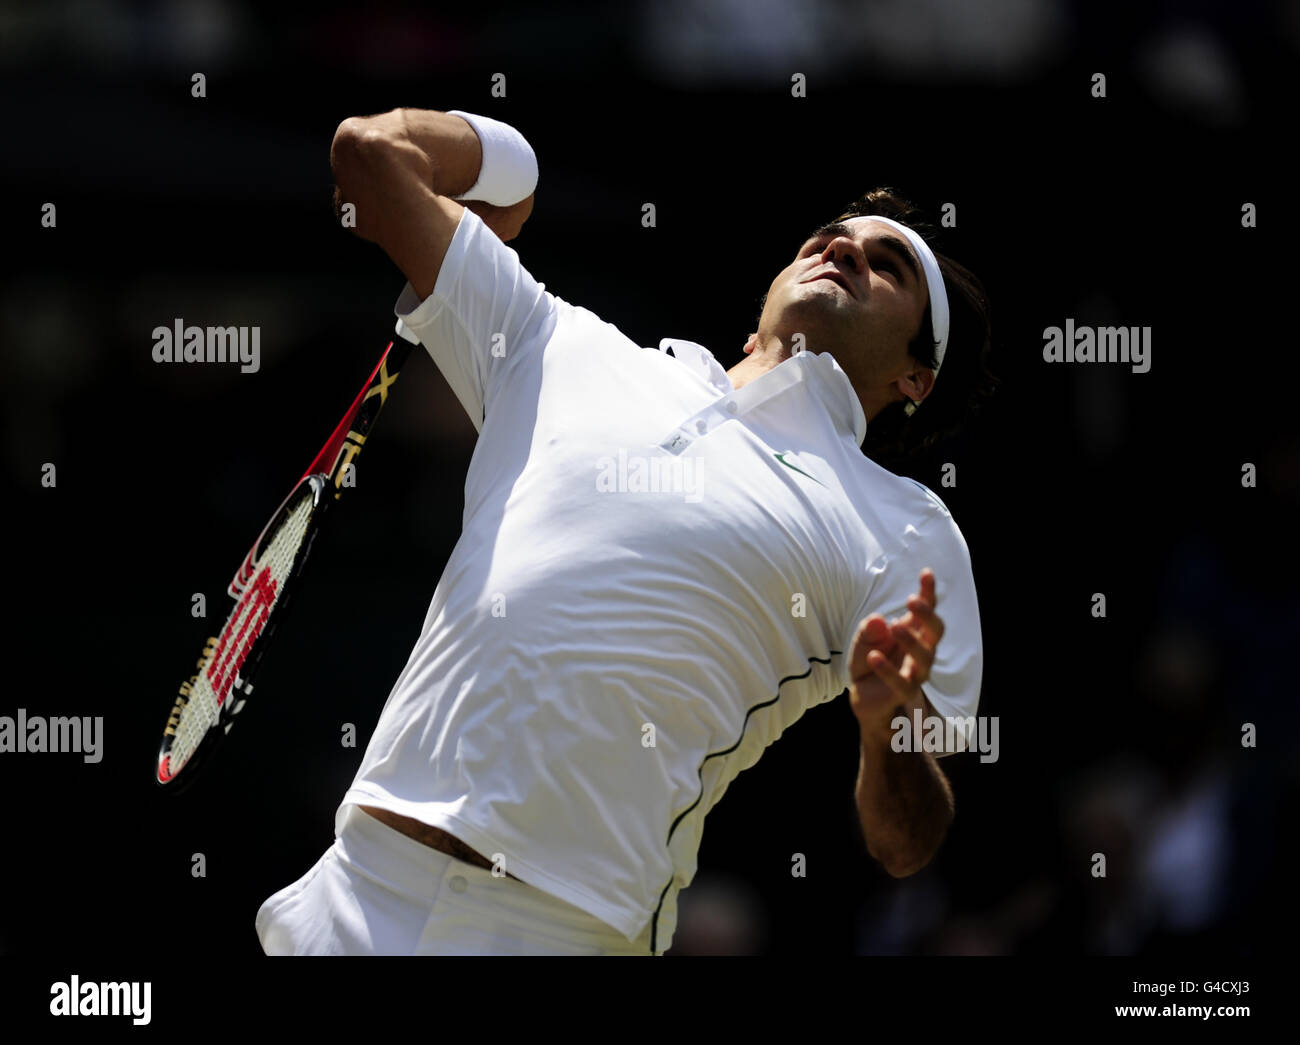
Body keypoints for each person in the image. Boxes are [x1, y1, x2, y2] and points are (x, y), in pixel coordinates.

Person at [256, 108, 996, 956]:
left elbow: (906, 843)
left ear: (916, 377)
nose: (844, 249)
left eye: (889, 263)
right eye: (829, 237)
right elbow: (370, 157)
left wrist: (886, 726)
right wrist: (511, 164)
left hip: (566, 927)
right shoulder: (558, 340)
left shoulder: (906, 526)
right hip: (355, 887)